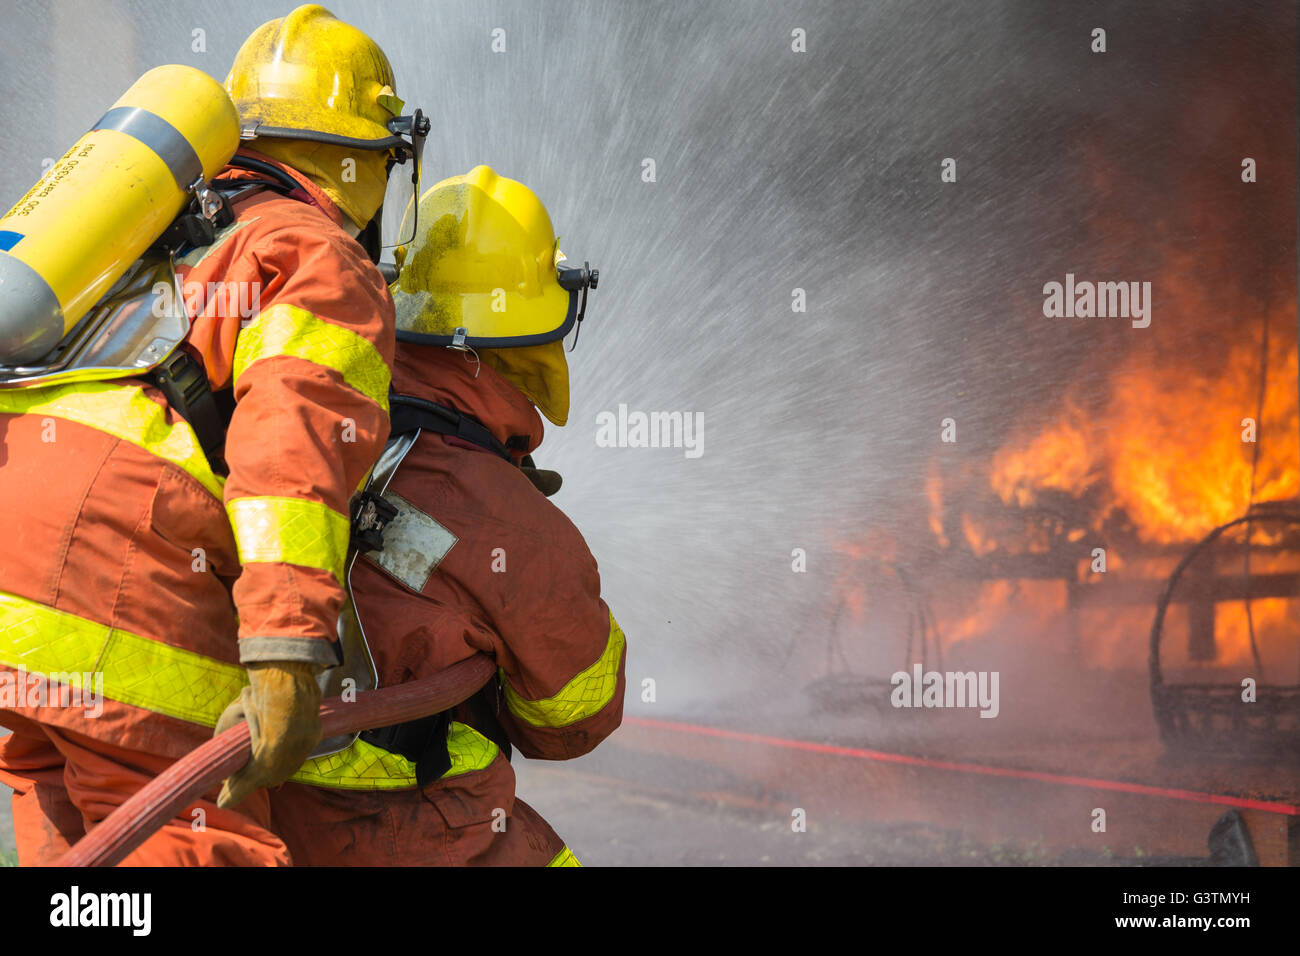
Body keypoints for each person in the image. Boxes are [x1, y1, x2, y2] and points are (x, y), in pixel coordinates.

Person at [0, 4, 420, 865]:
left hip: (11, 559)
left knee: (77, 856)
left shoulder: (146, 232)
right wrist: (285, 651)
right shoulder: (312, 253)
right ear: (370, 164)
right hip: (113, 584)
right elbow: (288, 456)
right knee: (200, 846)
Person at [266, 166, 625, 866]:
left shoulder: (320, 414)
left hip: (263, 811)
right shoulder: (507, 520)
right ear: (537, 325)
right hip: (409, 824)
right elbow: (577, 720)